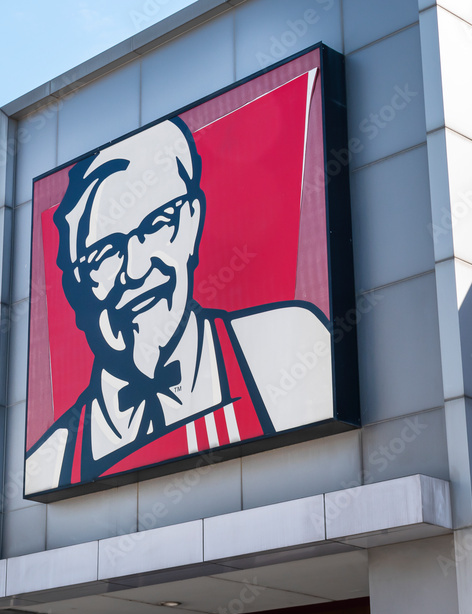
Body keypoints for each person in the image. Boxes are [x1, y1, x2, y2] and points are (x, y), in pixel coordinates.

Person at [25, 117, 333, 496]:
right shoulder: (48, 464)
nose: (136, 269)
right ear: (78, 285)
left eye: (157, 223)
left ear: (191, 223)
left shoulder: (288, 349)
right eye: (104, 253)